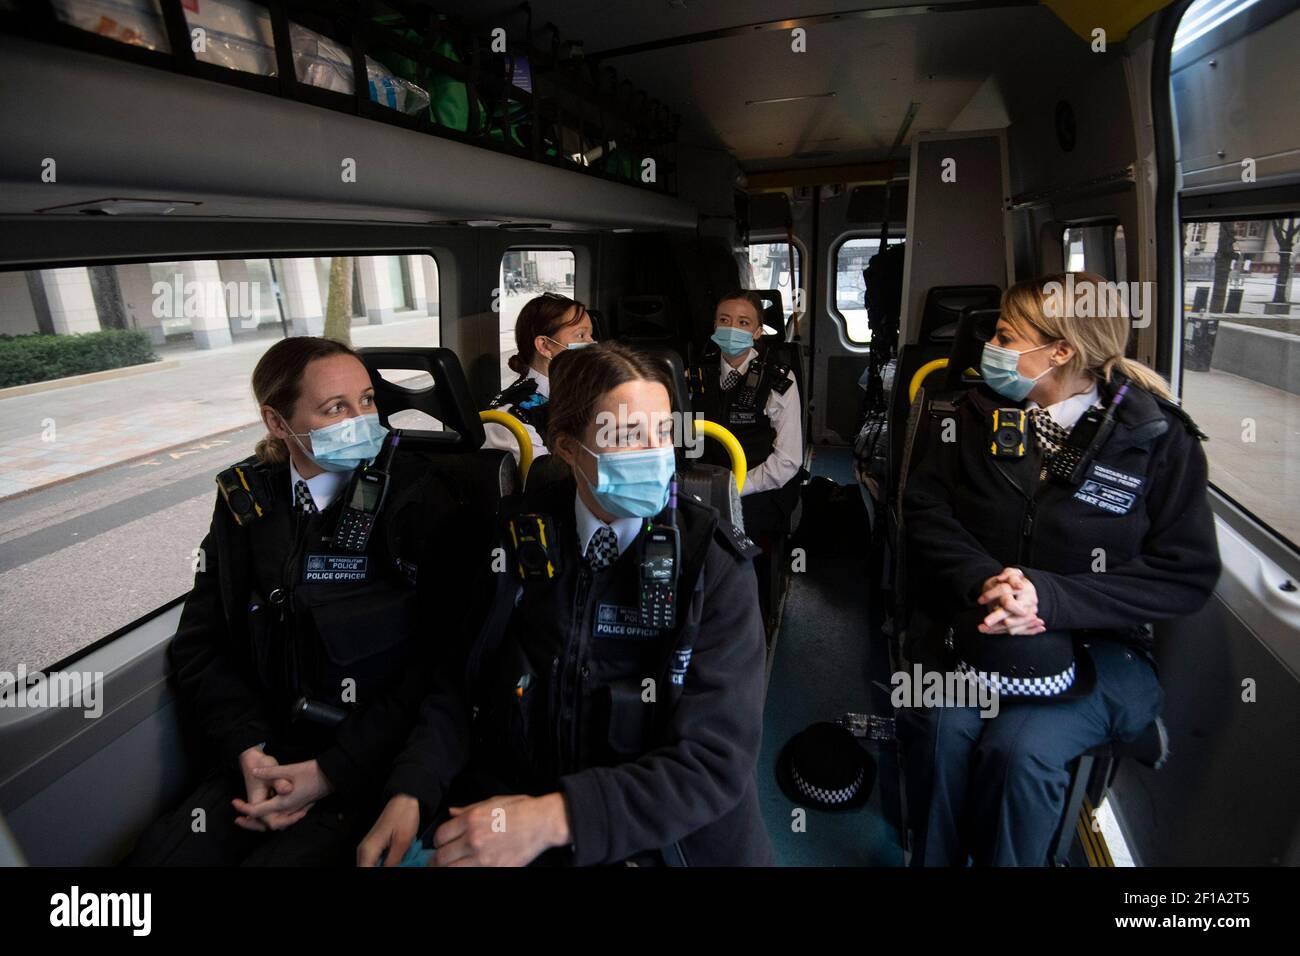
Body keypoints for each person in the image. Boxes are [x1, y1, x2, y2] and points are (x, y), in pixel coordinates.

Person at [359, 341, 773, 867]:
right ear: (569, 447)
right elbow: (461, 689)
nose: (655, 453)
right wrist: (411, 790)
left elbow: (714, 762)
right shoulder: (512, 535)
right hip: (518, 813)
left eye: (664, 432)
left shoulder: (713, 567)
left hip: (664, 841)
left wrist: (555, 819)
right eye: (626, 435)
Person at [897, 272, 1220, 866]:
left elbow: (1185, 573)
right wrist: (987, 582)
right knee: (941, 731)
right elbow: (927, 510)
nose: (989, 347)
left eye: (1004, 334)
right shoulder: (972, 413)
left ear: (1061, 350)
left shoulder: (1156, 438)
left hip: (1100, 646)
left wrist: (1049, 599)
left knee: (1019, 754)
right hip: (980, 627)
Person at [128, 336, 473, 866]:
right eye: (335, 407)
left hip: (367, 763)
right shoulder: (246, 503)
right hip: (263, 758)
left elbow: (445, 668)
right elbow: (203, 642)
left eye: (366, 400)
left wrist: (332, 772)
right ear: (277, 422)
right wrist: (248, 750)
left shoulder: (418, 497)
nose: (361, 420)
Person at [690, 290, 803, 617]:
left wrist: (734, 488)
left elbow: (788, 461)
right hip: (705, 481)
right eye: (724, 320)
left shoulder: (780, 380)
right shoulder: (698, 375)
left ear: (757, 332)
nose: (732, 328)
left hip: (761, 486)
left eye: (743, 322)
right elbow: (685, 436)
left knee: (731, 528)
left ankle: (744, 615)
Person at [483, 293, 595, 465]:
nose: (592, 344)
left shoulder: (587, 395)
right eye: (581, 336)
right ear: (545, 346)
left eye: (591, 336)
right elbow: (547, 481)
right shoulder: (512, 417)